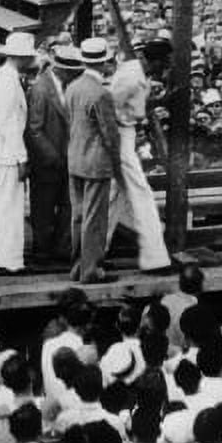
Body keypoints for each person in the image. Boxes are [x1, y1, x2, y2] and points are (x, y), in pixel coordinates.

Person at [109, 37, 174, 274]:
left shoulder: (136, 71)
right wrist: (161, 101)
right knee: (142, 195)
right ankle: (154, 258)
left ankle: (95, 252)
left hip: (123, 135)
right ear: (152, 60)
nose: (165, 67)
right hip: (118, 136)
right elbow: (110, 108)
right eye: (164, 62)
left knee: (113, 197)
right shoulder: (132, 78)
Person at [65, 37, 122, 285]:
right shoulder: (101, 93)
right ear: (104, 62)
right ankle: (90, 270)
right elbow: (110, 134)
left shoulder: (72, 87)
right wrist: (118, 162)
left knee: (78, 215)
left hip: (75, 157)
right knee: (95, 218)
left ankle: (79, 265)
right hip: (96, 161)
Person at [0, 31, 38, 274]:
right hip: (7, 152)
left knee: (4, 205)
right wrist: (21, 157)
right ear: (21, 57)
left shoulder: (2, 76)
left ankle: (4, 256)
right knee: (11, 207)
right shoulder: (7, 80)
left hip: (1, 150)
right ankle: (11, 259)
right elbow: (9, 123)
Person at [25, 40, 75, 267]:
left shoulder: (63, 86)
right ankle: (42, 249)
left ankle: (61, 246)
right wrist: (52, 156)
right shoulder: (41, 89)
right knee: (43, 206)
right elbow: (34, 129)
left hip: (65, 156)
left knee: (67, 203)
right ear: (61, 69)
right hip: (47, 160)